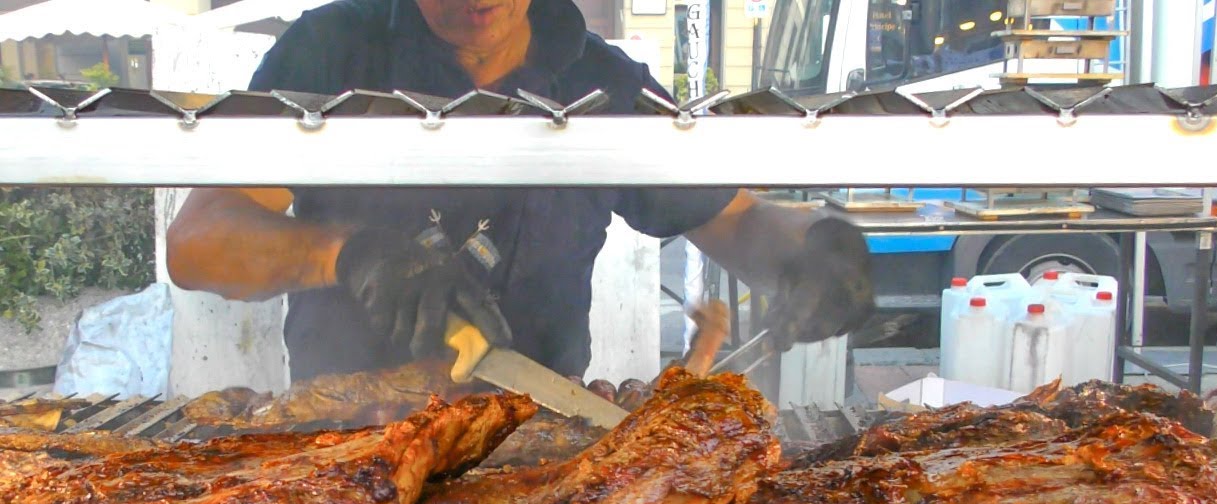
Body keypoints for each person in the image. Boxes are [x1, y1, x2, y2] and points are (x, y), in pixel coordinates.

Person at [166, 0, 875, 381]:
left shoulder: (603, 83)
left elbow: (737, 223)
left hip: (542, 455)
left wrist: (812, 252)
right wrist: (347, 253)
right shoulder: (327, 51)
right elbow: (199, 242)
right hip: (349, 439)